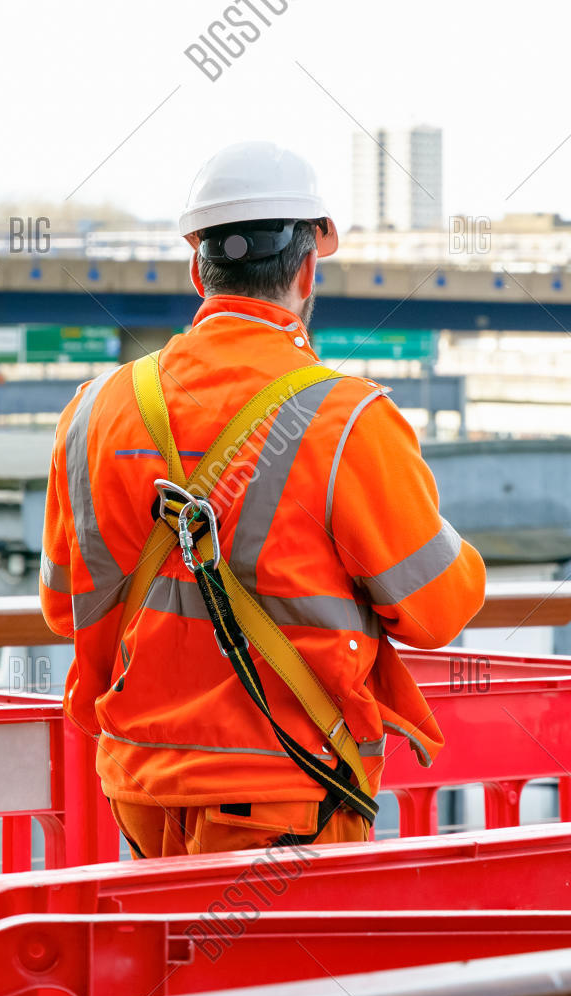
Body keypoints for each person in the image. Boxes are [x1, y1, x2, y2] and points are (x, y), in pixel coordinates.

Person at [40, 140, 486, 857]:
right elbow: (437, 610)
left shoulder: (95, 409)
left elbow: (67, 606)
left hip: (142, 793)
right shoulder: (347, 421)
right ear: (308, 267)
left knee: (167, 970)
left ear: (197, 269)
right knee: (286, 973)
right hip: (287, 797)